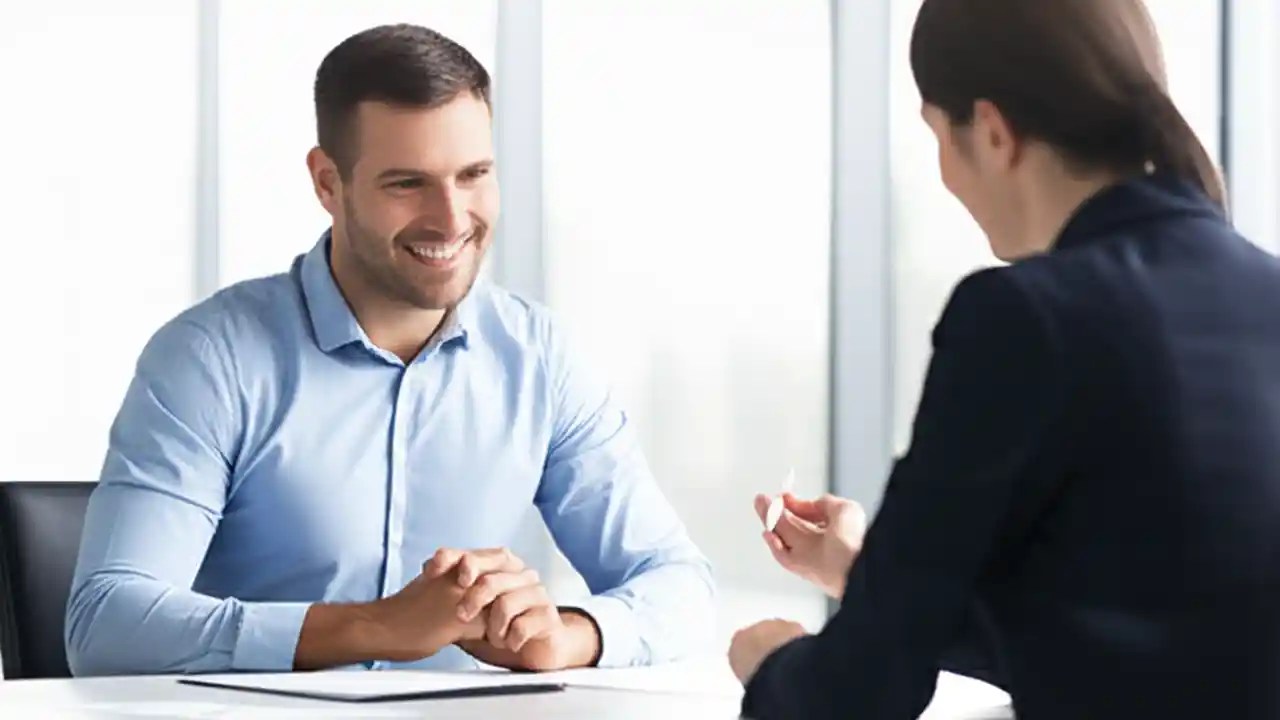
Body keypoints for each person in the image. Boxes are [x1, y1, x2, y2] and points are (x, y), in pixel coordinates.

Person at [65, 24, 713, 677]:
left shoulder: (540, 357)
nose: (452, 218)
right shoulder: (211, 358)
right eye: (408, 184)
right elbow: (107, 624)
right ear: (327, 183)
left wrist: (567, 637)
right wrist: (374, 626)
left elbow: (680, 586)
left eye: (474, 175)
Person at [729, 0, 1280, 718]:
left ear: (992, 132)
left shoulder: (1023, 319)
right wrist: (868, 575)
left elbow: (856, 695)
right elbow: (1138, 637)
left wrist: (773, 666)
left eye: (937, 135)